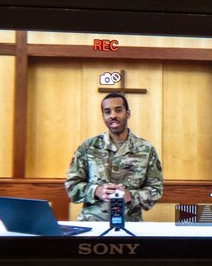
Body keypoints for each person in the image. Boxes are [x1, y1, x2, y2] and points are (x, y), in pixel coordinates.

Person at [65, 93, 163, 222]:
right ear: (103, 117)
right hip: (93, 223)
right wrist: (96, 190)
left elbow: (156, 190)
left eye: (118, 110)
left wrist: (131, 196)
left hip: (130, 224)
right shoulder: (88, 147)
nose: (113, 116)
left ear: (128, 114)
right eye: (107, 112)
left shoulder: (146, 150)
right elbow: (72, 185)